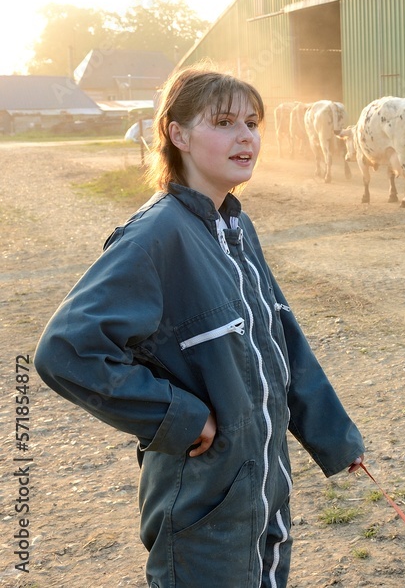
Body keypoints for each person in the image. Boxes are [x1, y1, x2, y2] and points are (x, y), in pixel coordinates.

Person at [34, 66, 365, 588]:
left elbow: (280, 339)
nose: (246, 136)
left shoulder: (234, 225)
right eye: (225, 121)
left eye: (253, 122)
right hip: (202, 503)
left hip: (263, 491)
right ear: (178, 134)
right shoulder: (155, 237)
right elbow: (66, 352)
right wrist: (179, 416)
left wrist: (333, 437)